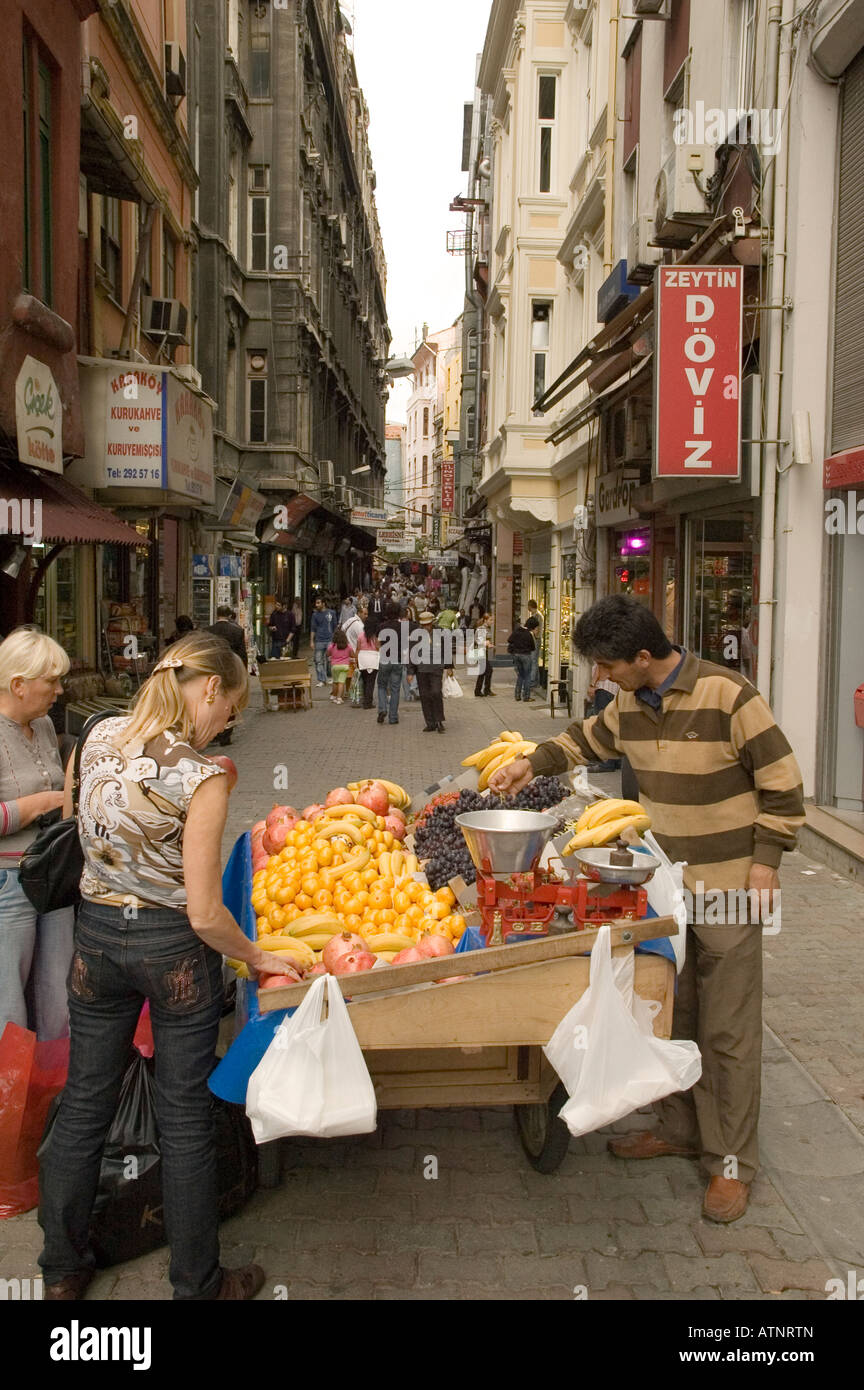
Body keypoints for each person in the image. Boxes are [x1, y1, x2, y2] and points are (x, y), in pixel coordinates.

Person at [489, 594, 806, 1225]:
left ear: (642, 655)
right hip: (664, 887)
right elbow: (583, 740)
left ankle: (730, 1164)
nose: (601, 679)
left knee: (729, 1032)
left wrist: (766, 861)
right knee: (673, 1012)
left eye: (607, 667)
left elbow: (784, 783)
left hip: (729, 889)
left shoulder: (729, 695)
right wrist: (530, 761)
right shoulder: (632, 704)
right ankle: (680, 1128)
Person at [38, 632, 298, 1301]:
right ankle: (197, 1284)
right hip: (172, 952)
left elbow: (77, 831)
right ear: (209, 688)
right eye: (230, 708)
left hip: (94, 939)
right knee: (184, 1118)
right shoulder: (202, 775)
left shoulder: (94, 737)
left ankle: (62, 1269)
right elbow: (207, 915)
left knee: (84, 1103)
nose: (227, 723)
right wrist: (260, 955)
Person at [0, 628, 72, 1042]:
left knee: (57, 988)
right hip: (9, 882)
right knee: (9, 993)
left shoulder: (43, 725)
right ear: (18, 684)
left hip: (53, 873)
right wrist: (38, 804)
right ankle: (12, 1095)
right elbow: (47, 798)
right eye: (52, 681)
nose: (60, 690)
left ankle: (53, 1092)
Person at [410, 611, 448, 733]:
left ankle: (439, 721)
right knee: (425, 695)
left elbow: (446, 649)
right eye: (424, 625)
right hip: (422, 669)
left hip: (436, 668)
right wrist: (410, 671)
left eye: (428, 624)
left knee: (436, 692)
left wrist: (449, 667)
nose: (426, 627)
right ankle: (430, 722)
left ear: (432, 623)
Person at [375, 602, 404, 726]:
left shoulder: (381, 626)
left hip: (385, 660)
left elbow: (377, 644)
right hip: (397, 660)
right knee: (395, 689)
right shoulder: (403, 627)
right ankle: (393, 717)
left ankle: (382, 709)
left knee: (381, 686)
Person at [354, 617, 380, 709]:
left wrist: (356, 661)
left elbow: (357, 649)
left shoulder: (360, 636)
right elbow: (378, 648)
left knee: (365, 681)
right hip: (373, 659)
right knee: (371, 682)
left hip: (362, 659)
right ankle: (368, 702)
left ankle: (365, 700)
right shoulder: (375, 637)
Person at [507, 618, 535, 701]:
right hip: (526, 655)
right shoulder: (528, 634)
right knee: (527, 676)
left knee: (520, 675)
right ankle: (526, 696)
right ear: (532, 627)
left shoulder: (517, 631)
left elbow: (509, 640)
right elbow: (533, 647)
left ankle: (517, 695)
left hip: (516, 655)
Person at [310, 596, 335, 687]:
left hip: (329, 639)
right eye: (316, 603)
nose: (316, 605)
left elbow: (335, 627)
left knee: (329, 660)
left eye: (318, 603)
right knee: (318, 660)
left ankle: (329, 677)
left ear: (323, 603)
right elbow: (313, 628)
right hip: (319, 640)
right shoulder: (315, 615)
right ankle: (321, 679)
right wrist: (311, 641)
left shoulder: (331, 613)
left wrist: (334, 640)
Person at [327, 628, 353, 704]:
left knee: (335, 682)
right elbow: (352, 654)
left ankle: (334, 696)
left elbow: (328, 654)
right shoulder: (348, 646)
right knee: (341, 682)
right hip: (345, 666)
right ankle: (339, 698)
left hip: (335, 666)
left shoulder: (332, 646)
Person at [474, 612, 494, 697]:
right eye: (491, 620)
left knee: (483, 672)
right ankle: (485, 690)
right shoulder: (481, 629)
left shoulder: (487, 628)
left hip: (483, 651)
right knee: (488, 670)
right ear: (485, 620)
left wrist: (489, 644)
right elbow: (480, 641)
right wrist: (487, 644)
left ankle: (480, 690)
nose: (492, 621)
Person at [525, 600, 543, 691]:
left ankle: (533, 681)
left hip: (536, 640)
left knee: (534, 660)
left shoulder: (538, 616)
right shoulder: (535, 615)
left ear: (530, 606)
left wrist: (534, 635)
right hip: (535, 639)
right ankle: (536, 681)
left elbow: (538, 629)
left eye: (528, 606)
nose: (527, 608)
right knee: (533, 660)